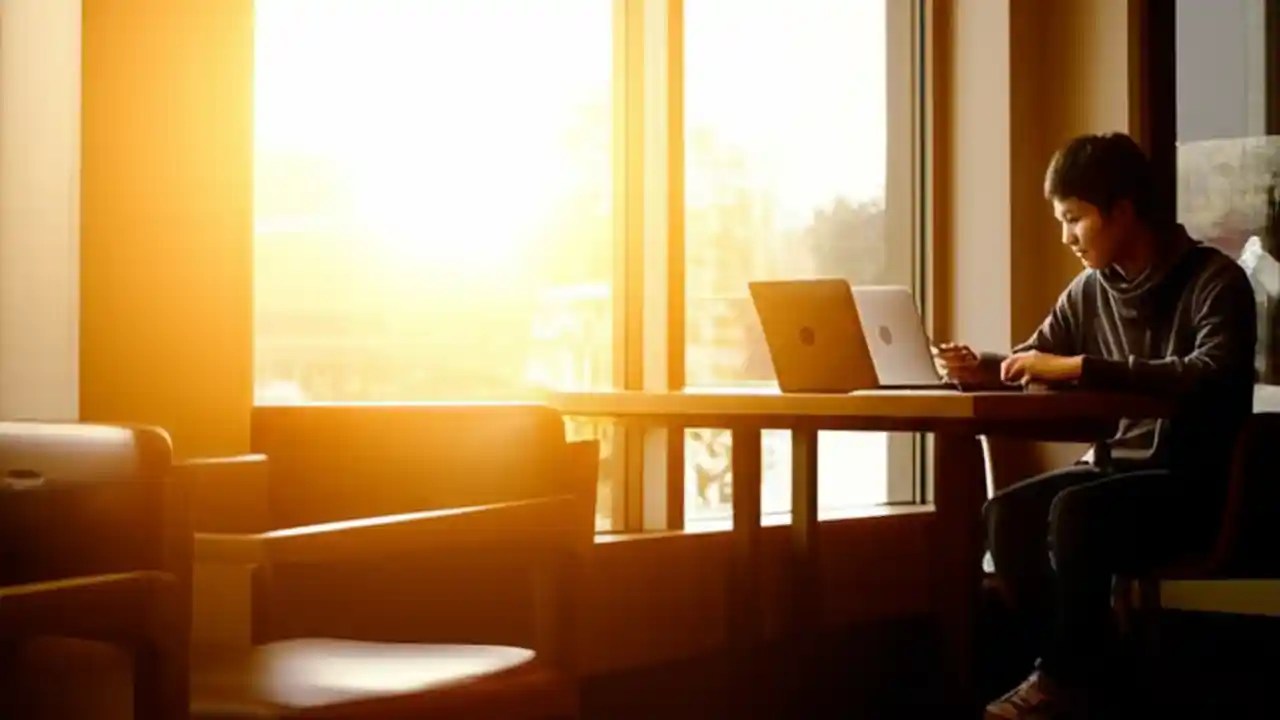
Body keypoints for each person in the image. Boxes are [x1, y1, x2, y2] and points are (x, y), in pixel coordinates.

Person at [934, 132, 1257, 719]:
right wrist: (978, 366)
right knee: (1006, 512)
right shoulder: (1091, 290)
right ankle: (1075, 669)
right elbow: (1034, 359)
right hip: (1116, 472)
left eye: (1075, 219)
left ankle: (1070, 676)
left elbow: (1211, 373)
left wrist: (1081, 367)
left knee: (1077, 512)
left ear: (1123, 211)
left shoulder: (1217, 281)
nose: (1066, 237)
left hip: (1193, 485)